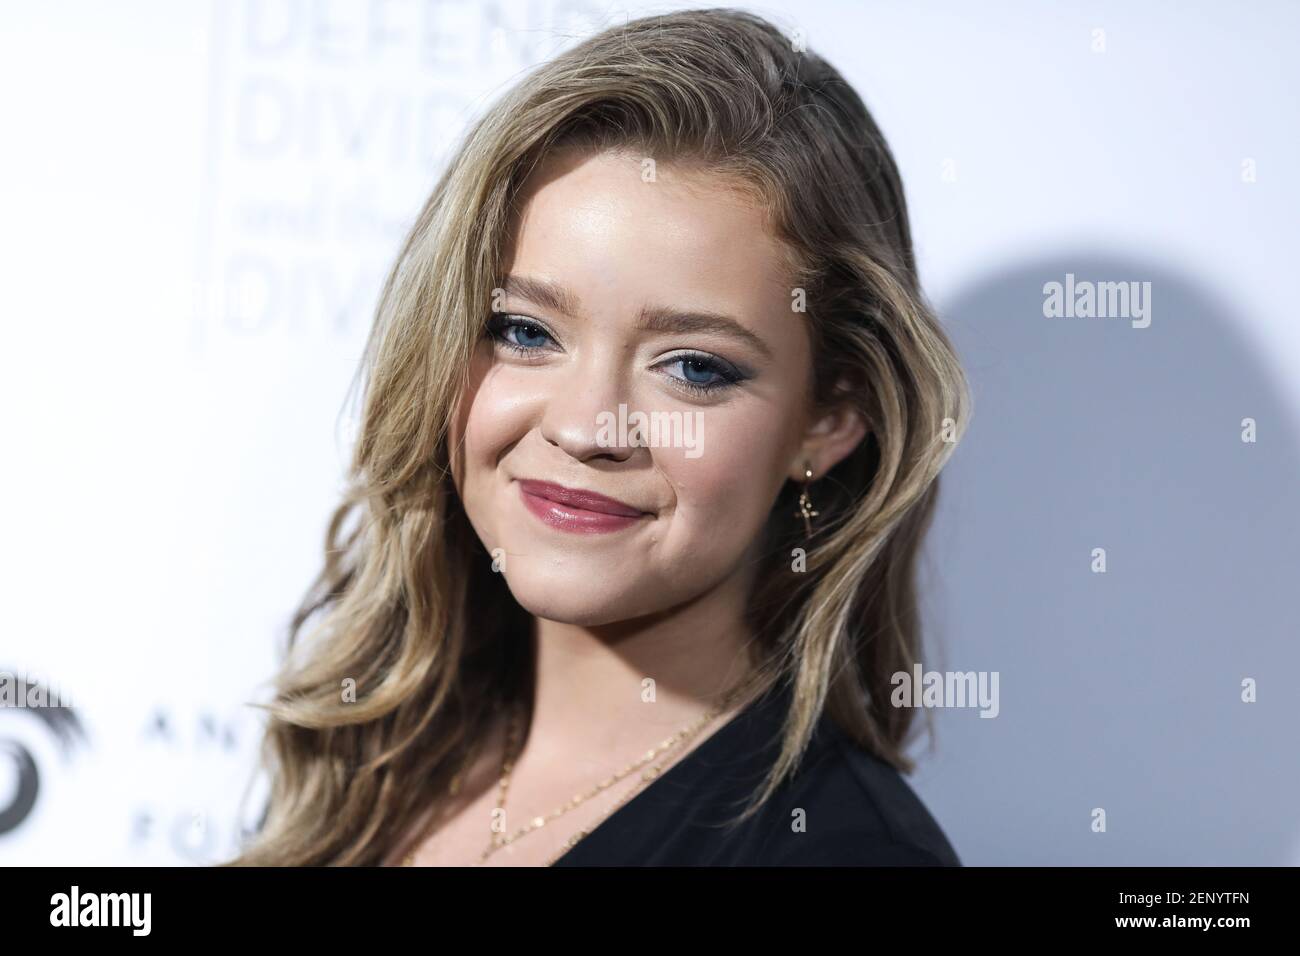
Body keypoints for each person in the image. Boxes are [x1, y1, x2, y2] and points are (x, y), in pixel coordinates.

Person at [221, 7, 971, 867]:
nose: (585, 427)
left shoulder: (845, 853)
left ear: (832, 419)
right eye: (526, 331)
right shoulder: (376, 754)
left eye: (693, 367)